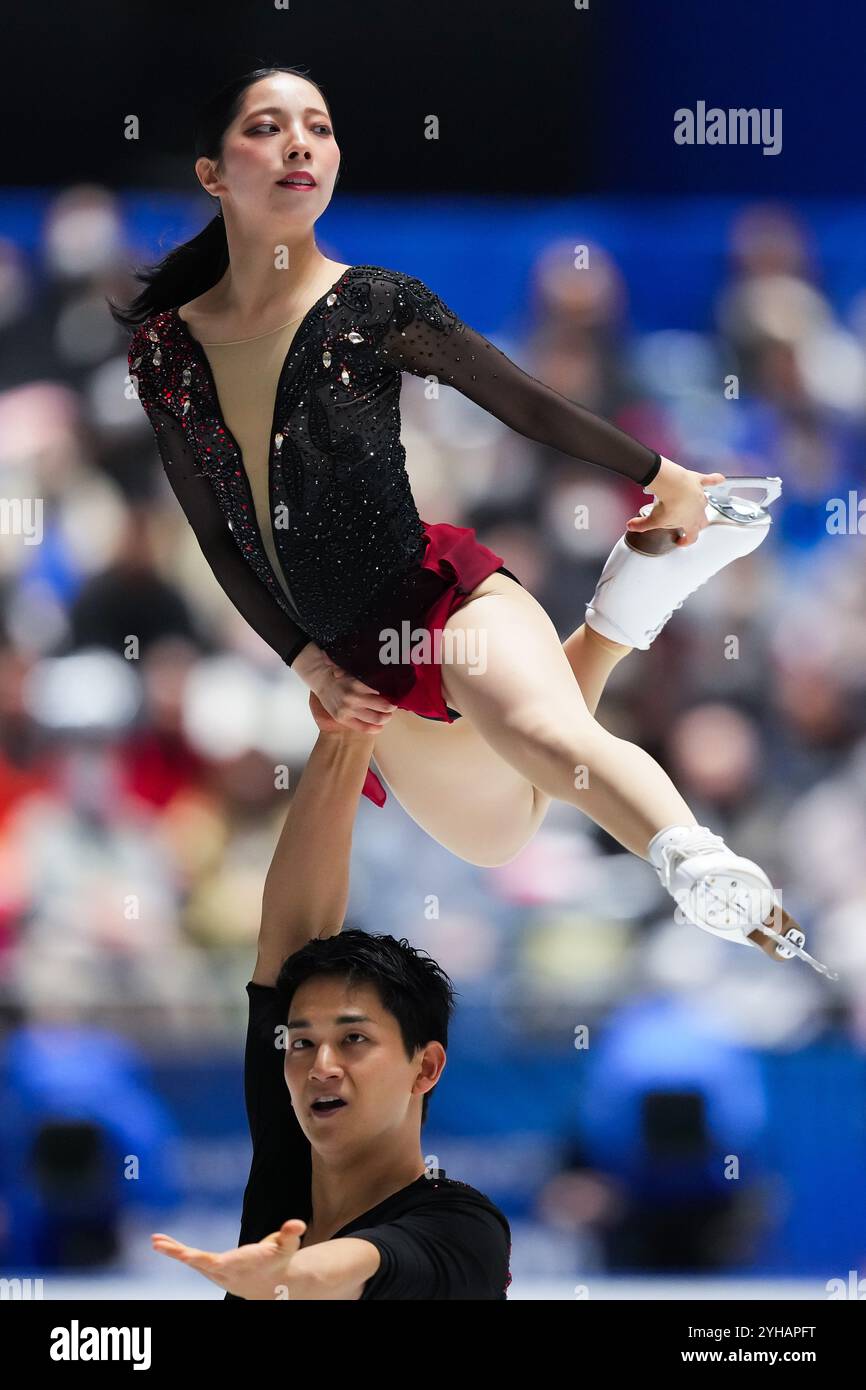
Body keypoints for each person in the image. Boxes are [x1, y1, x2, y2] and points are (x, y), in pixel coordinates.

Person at [114, 64, 834, 977]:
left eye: (320, 127)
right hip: (360, 663)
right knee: (499, 831)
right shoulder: (165, 352)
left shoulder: (373, 304)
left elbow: (523, 402)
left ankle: (694, 859)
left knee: (549, 738)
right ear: (213, 172)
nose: (301, 143)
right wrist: (308, 663)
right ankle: (621, 615)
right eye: (266, 127)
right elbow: (219, 538)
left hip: (446, 605)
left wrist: (663, 472)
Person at [151, 693, 511, 1300]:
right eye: (302, 1042)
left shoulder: (463, 1227)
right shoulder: (291, 1162)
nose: (320, 1066)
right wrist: (345, 733)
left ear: (424, 1066)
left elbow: (360, 1262)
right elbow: (291, 939)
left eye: (354, 1039)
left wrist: (285, 1276)